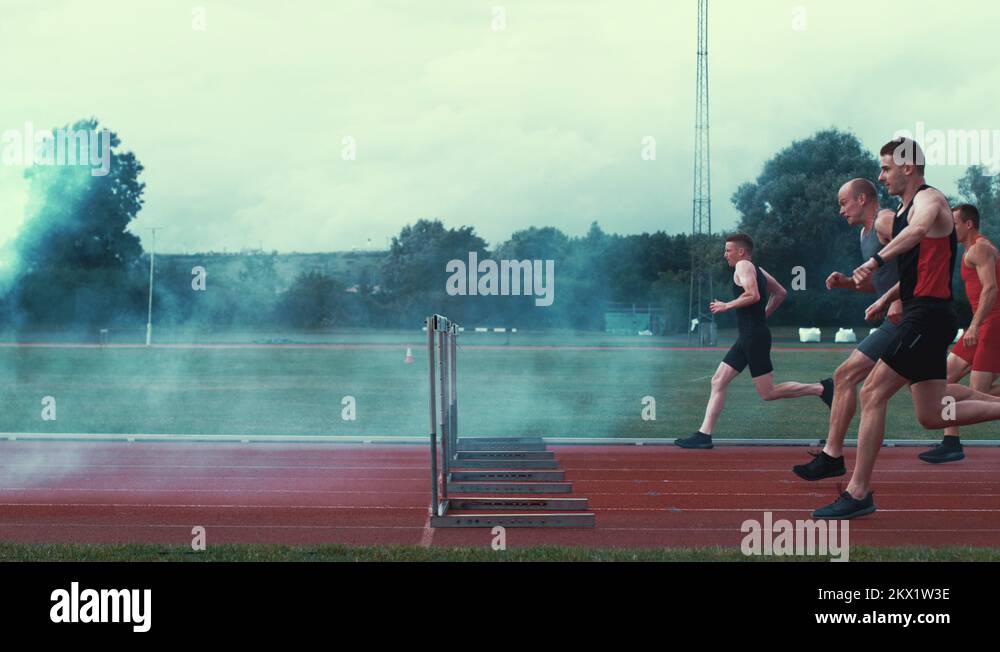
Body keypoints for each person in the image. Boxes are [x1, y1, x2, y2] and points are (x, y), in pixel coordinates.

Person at [813, 138, 1000, 519]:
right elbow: (916, 267)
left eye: (885, 168)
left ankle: (858, 492)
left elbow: (915, 232)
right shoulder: (901, 211)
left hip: (927, 317)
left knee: (872, 393)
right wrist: (883, 298)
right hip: (924, 313)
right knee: (932, 414)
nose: (881, 177)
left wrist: (877, 259)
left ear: (908, 168)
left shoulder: (931, 201)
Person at [676, 233, 832, 450]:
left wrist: (726, 306)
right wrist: (763, 316)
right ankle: (704, 434)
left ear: (741, 252)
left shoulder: (743, 266)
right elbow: (780, 292)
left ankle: (821, 389)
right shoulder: (757, 269)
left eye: (728, 250)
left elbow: (753, 295)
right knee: (718, 380)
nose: (725, 255)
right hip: (749, 335)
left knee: (767, 393)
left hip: (753, 337)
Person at [793, 179, 901, 480]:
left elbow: (920, 261)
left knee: (844, 376)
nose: (841, 210)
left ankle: (833, 456)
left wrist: (893, 301)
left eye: (844, 203)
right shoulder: (865, 234)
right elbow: (877, 282)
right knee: (932, 409)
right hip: (901, 320)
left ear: (863, 198)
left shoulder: (884, 220)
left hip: (904, 319)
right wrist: (849, 283)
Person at [920, 204, 1000, 463]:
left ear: (968, 224)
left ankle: (951, 441)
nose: (949, 228)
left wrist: (975, 326)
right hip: (981, 323)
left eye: (954, 223)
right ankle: (951, 442)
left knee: (980, 393)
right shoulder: (969, 251)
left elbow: (991, 289)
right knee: (943, 379)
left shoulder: (980, 248)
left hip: (992, 324)